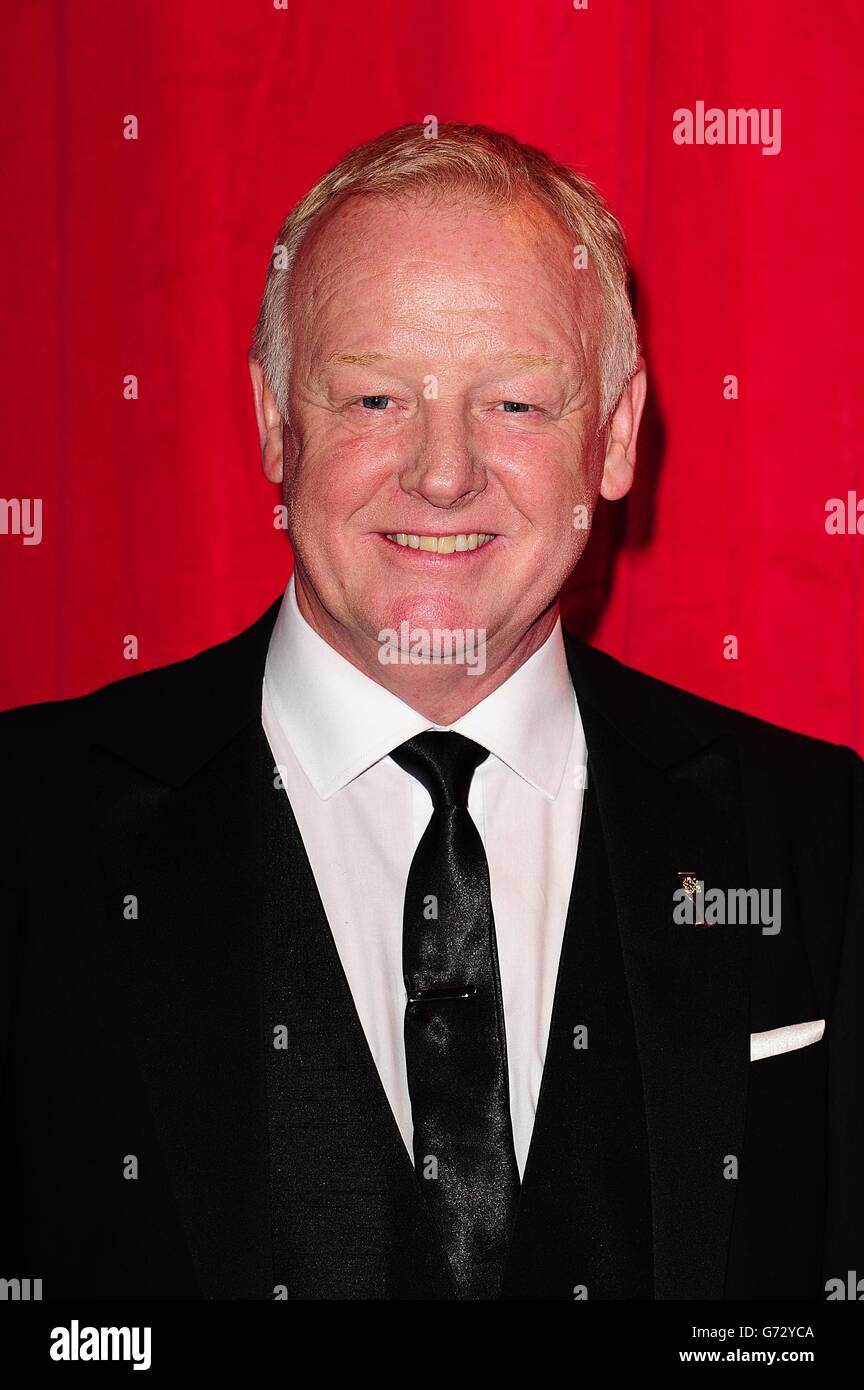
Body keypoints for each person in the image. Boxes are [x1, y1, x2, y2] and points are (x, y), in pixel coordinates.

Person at [1, 122, 861, 1301]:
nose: (443, 472)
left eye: (513, 402)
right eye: (371, 397)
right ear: (271, 419)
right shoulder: (28, 828)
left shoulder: (823, 841)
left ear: (614, 436)